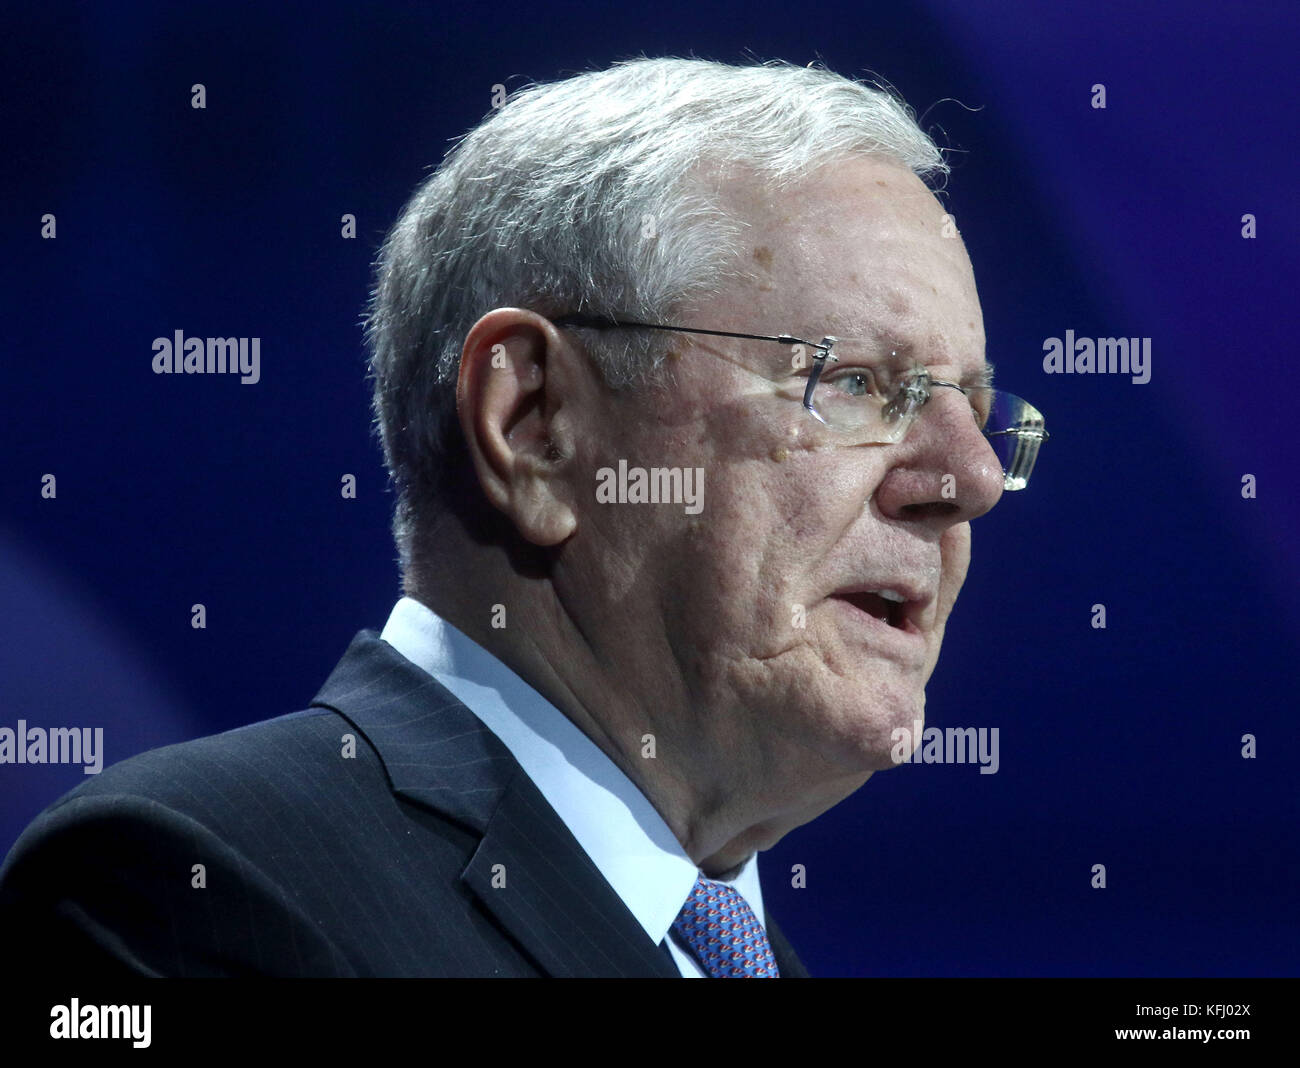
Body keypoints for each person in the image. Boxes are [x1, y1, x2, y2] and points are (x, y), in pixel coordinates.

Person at [0, 57, 1046, 977]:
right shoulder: (194, 889)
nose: (970, 478)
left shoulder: (745, 959)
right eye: (858, 383)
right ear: (534, 424)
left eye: (976, 407)